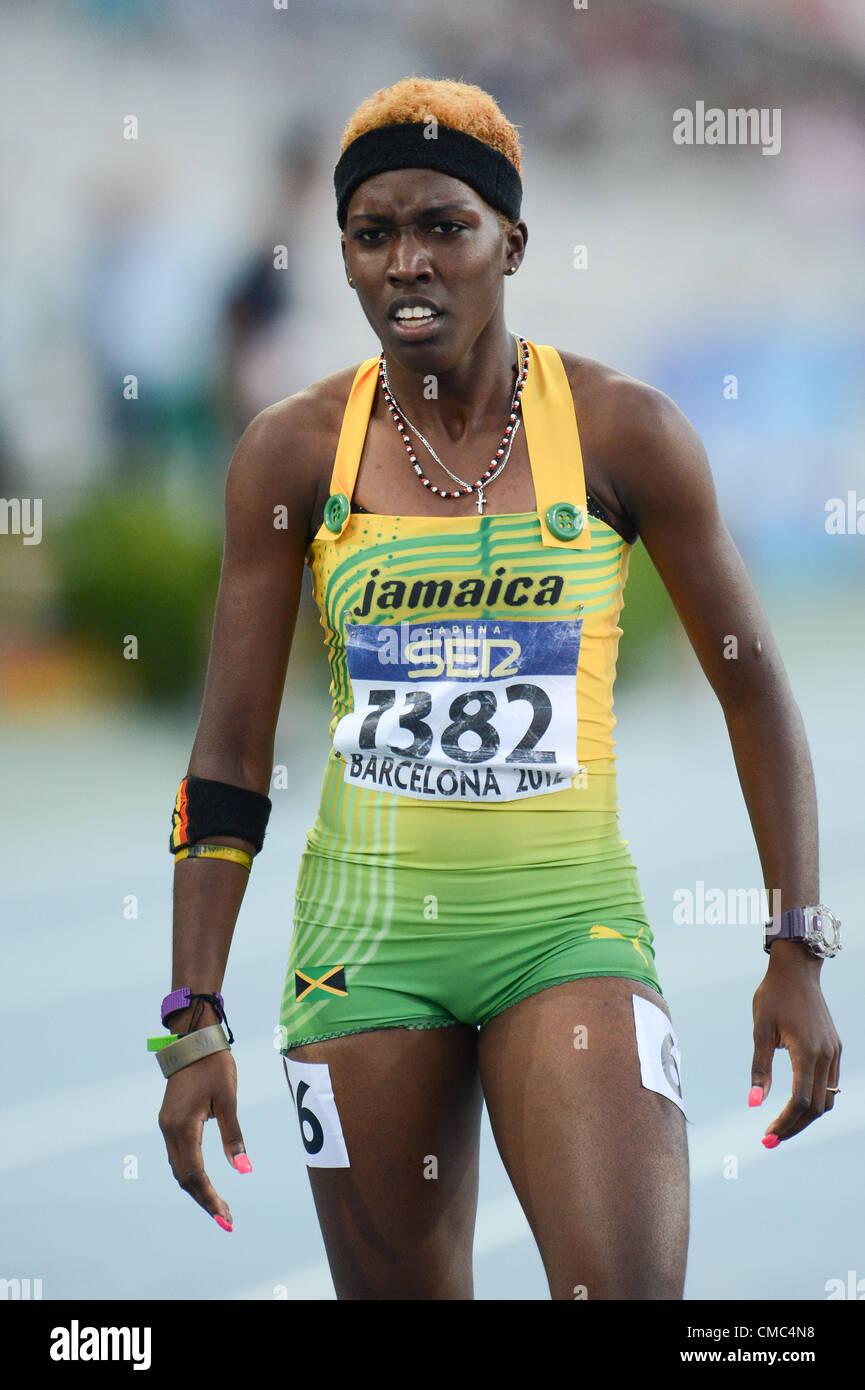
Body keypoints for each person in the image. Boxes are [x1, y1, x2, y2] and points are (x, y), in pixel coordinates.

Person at [155, 77, 842, 1301]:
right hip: (362, 951)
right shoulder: (292, 453)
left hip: (565, 929)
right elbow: (228, 752)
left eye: (442, 228)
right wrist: (193, 1010)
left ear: (510, 241)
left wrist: (796, 942)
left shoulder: (627, 434)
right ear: (346, 260)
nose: (406, 263)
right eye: (372, 237)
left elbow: (756, 696)